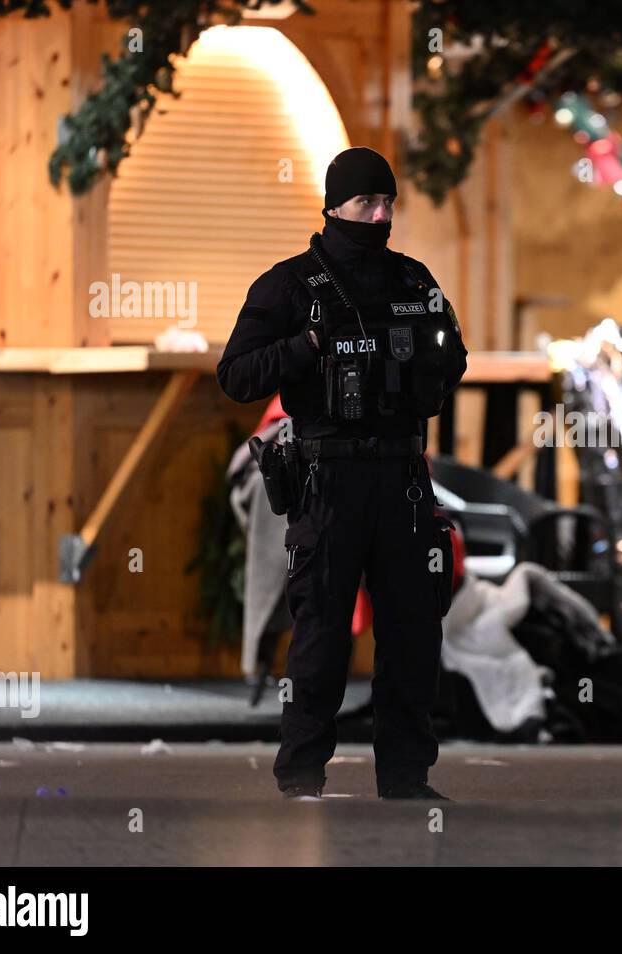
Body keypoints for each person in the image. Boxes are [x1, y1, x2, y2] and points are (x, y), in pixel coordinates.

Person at [217, 147, 467, 799]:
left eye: (387, 204)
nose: (379, 215)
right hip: (327, 482)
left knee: (413, 634)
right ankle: (301, 775)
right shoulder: (290, 285)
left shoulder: (414, 282)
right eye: (366, 204)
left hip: (403, 484)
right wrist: (307, 347)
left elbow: (454, 354)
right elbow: (236, 375)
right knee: (321, 638)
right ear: (334, 207)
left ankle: (406, 777)